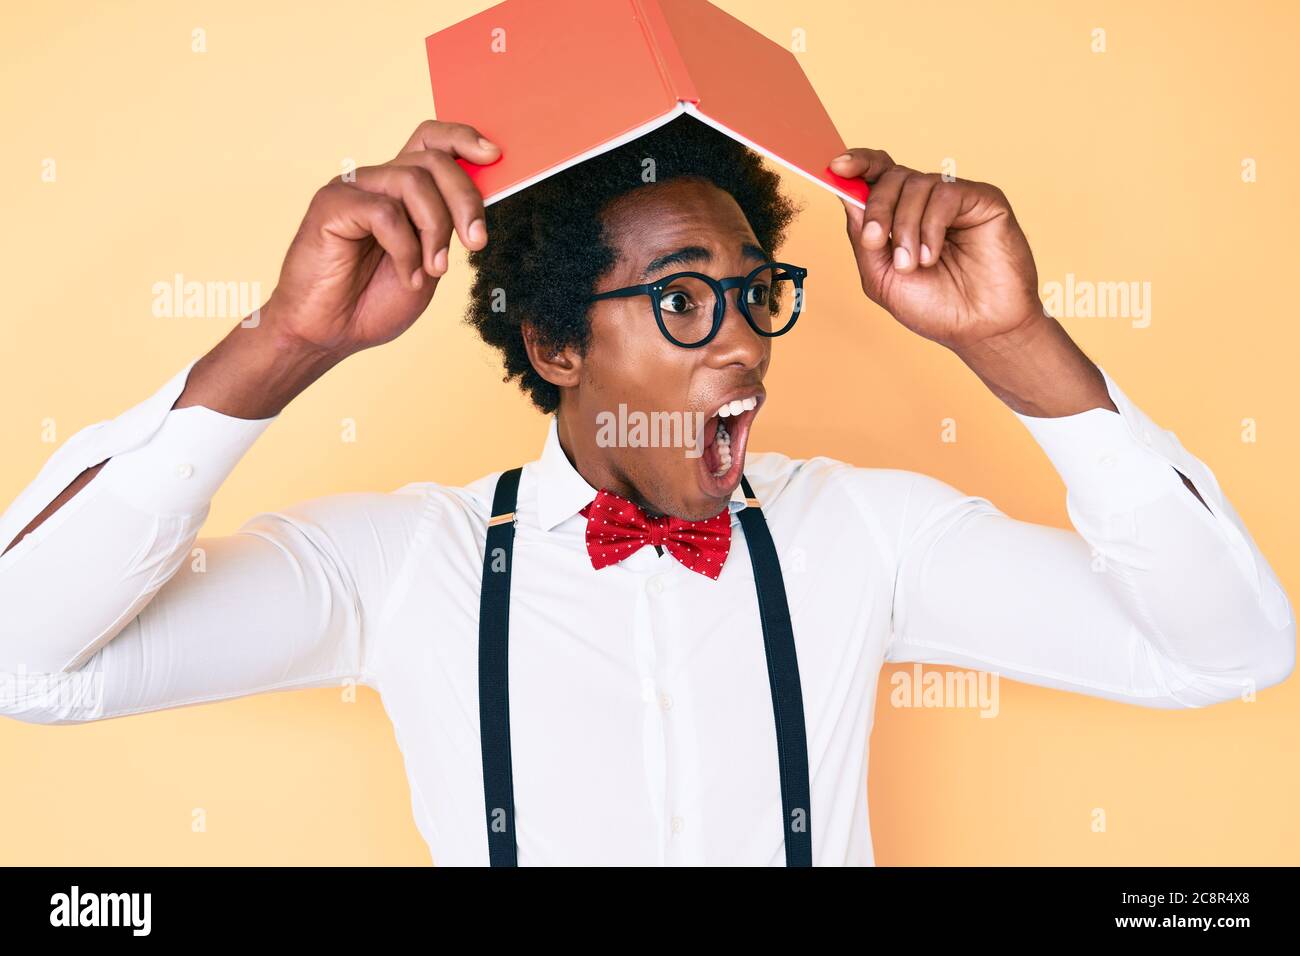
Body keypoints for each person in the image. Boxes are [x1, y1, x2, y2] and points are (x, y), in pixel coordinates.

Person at [0, 116, 1292, 866]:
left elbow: (1223, 653)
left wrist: (1008, 342)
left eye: (752, 293)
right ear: (558, 346)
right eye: (680, 299)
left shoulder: (867, 534)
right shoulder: (407, 565)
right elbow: (27, 662)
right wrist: (283, 341)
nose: (742, 341)